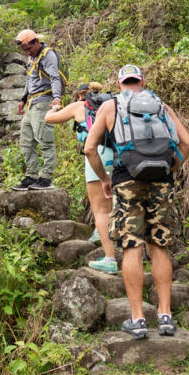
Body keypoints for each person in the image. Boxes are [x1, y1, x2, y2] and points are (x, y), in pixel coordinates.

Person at [85, 64, 189, 339]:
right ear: (142, 82)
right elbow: (188, 145)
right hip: (162, 181)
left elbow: (89, 148)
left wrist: (104, 179)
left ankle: (137, 319)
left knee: (131, 246)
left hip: (126, 180)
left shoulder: (110, 106)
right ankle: (165, 316)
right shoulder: (160, 105)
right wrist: (171, 169)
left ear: (120, 83)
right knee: (159, 246)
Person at [45, 82, 118, 273]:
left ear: (79, 96)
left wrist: (54, 107)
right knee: (109, 203)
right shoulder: (108, 105)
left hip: (97, 153)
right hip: (116, 154)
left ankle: (110, 258)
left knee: (100, 209)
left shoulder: (79, 106)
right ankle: (101, 234)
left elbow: (49, 119)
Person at [12, 29, 64, 191]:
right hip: (31, 103)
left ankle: (46, 177)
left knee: (45, 140)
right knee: (26, 142)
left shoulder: (48, 55)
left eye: (28, 48)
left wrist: (57, 98)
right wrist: (23, 98)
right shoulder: (31, 57)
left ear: (36, 42)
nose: (27, 52)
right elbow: (30, 79)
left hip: (44, 101)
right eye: (24, 50)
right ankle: (31, 176)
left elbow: (55, 77)